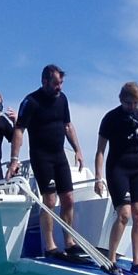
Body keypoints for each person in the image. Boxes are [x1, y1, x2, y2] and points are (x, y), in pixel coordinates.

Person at [7, 64, 86, 259]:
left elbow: (67, 125)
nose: (59, 87)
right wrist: (14, 160)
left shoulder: (63, 99)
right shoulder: (31, 101)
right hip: (41, 157)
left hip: (59, 155)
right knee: (50, 200)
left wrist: (78, 150)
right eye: (56, 83)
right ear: (44, 82)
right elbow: (19, 130)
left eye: (61, 83)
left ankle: (69, 242)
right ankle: (50, 246)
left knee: (68, 198)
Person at [95, 82, 138, 273]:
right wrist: (98, 176)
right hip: (117, 169)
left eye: (135, 103)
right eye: (129, 103)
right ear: (121, 100)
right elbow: (101, 151)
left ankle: (137, 262)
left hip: (137, 169)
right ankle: (111, 259)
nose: (132, 107)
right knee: (124, 214)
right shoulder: (111, 118)